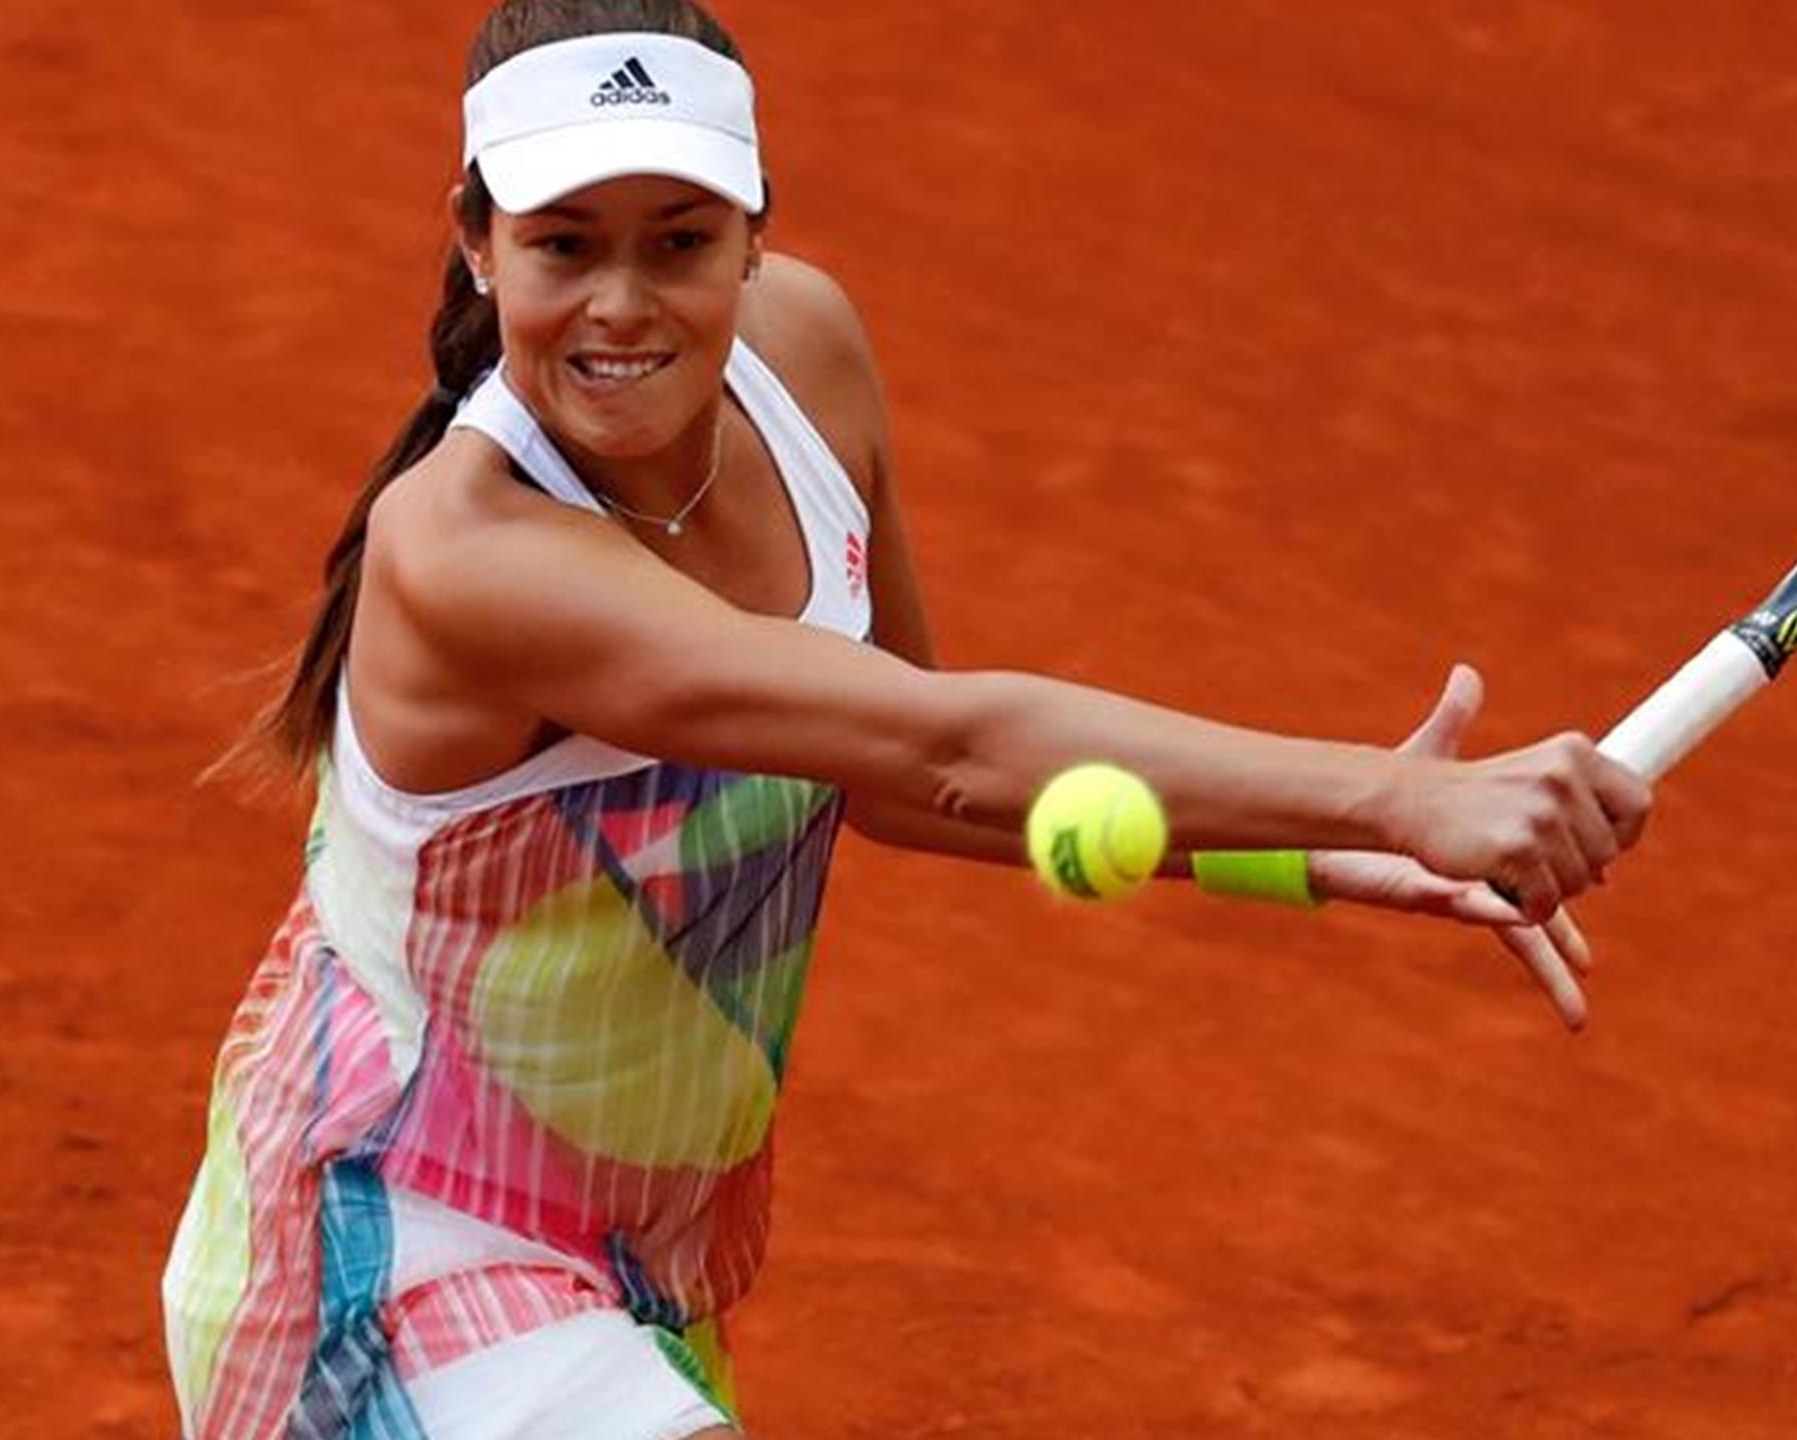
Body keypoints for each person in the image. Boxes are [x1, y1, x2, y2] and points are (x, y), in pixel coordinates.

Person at [160, 2, 1650, 1435]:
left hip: (638, 1257)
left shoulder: (807, 354)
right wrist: (1386, 798)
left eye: (680, 243)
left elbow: (907, 778)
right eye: (563, 245)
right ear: (476, 243)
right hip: (395, 1239)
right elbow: (949, 740)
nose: (622, 303)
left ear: (759, 236)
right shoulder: (470, 552)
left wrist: (1306, 853)